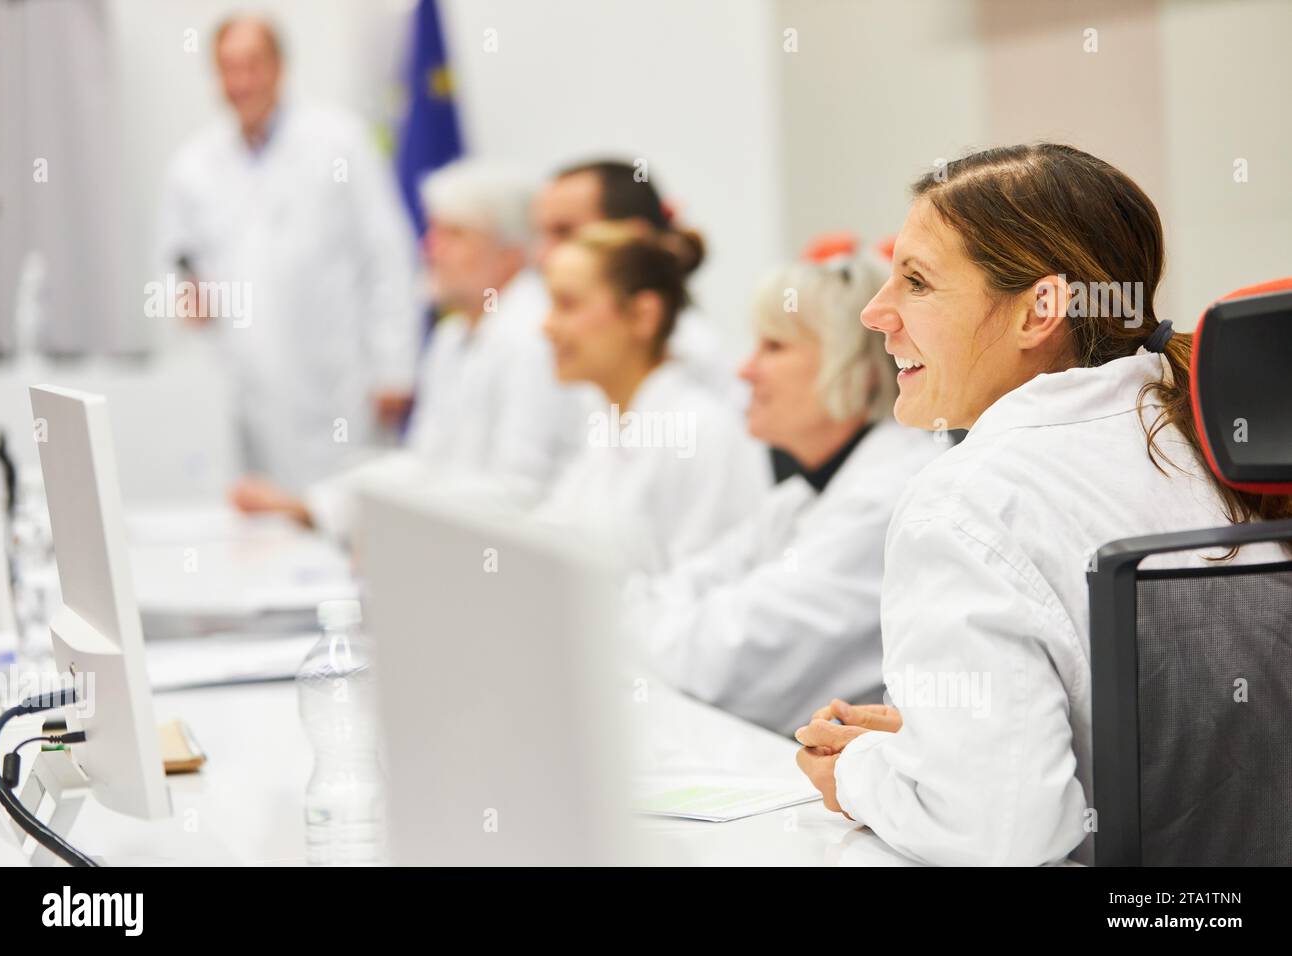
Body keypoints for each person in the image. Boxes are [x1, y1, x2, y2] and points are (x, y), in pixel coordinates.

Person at [793, 144, 1292, 866]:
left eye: (918, 283)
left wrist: (857, 774)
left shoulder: (970, 498)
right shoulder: (1205, 442)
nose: (876, 313)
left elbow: (1000, 831)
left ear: (1041, 310)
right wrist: (947, 742)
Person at [623, 251, 940, 735]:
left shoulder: (889, 497)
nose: (744, 371)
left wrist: (644, 623)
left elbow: (718, 663)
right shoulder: (801, 495)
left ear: (852, 364)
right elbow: (678, 590)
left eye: (773, 346)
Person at [232, 159, 582, 538]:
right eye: (433, 231)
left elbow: (519, 493)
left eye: (454, 235)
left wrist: (396, 521)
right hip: (457, 547)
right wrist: (312, 506)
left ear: (510, 254)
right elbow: (422, 464)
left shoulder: (535, 337)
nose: (430, 248)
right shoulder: (452, 338)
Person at [156, 16, 418, 489]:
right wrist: (185, 300)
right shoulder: (193, 167)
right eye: (227, 68)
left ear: (280, 68)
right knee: (262, 531)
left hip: (335, 379)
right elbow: (177, 266)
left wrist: (394, 366)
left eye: (252, 65)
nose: (240, 82)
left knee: (345, 516)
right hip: (245, 384)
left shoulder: (340, 142)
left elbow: (387, 253)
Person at [536, 222, 770, 573]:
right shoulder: (607, 423)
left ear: (644, 315)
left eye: (567, 304)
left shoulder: (701, 434)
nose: (546, 326)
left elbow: (709, 592)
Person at [532, 159, 735, 396]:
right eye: (541, 233)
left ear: (632, 236)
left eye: (564, 231)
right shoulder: (594, 360)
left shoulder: (691, 356)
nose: (542, 255)